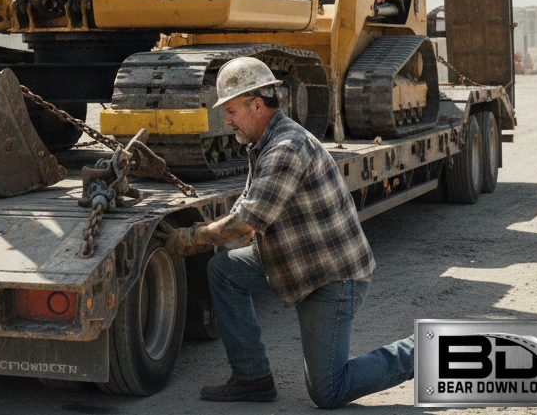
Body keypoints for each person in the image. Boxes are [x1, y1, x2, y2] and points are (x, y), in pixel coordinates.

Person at [159, 57, 415, 406]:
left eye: (232, 110)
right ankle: (252, 379)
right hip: (295, 261)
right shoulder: (264, 144)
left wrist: (191, 237)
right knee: (224, 270)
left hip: (330, 278)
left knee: (329, 390)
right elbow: (250, 219)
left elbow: (244, 222)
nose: (227, 119)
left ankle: (424, 351)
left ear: (257, 105)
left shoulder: (285, 149)